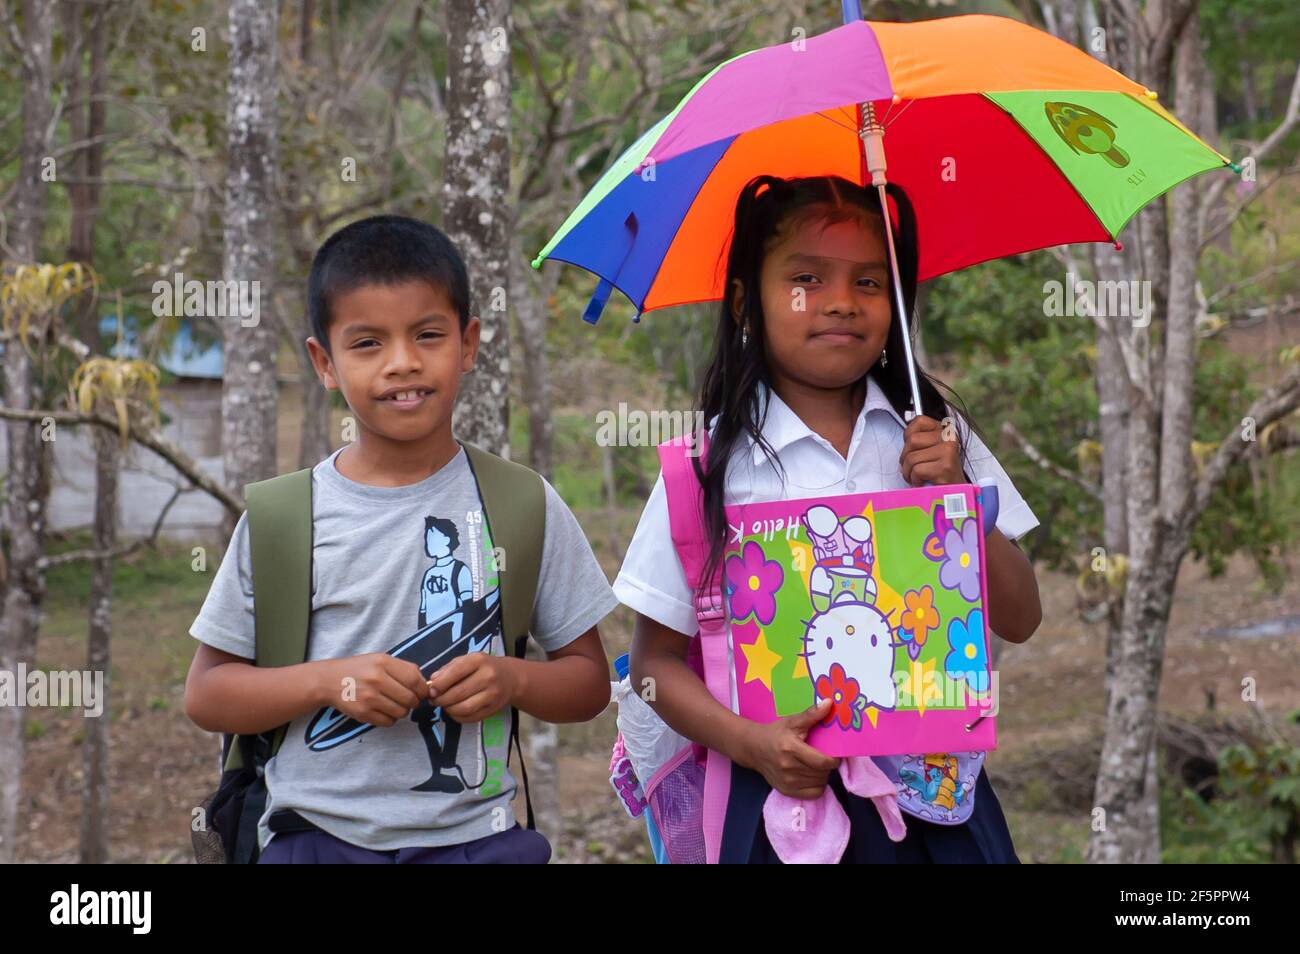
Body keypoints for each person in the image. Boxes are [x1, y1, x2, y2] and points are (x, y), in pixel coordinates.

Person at [615, 175, 1043, 863]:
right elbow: (653, 666)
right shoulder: (707, 472)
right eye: (807, 279)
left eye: (871, 283)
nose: (842, 302)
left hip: (942, 807)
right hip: (778, 816)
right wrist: (751, 744)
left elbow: (1021, 618)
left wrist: (958, 501)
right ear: (745, 303)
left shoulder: (938, 439)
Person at [184, 215, 617, 863]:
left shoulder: (523, 504)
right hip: (317, 842)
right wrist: (328, 682)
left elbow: (588, 684)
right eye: (367, 344)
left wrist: (512, 679)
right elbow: (208, 693)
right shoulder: (282, 519)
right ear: (323, 363)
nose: (402, 362)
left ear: (468, 344)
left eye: (428, 335)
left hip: (477, 841)